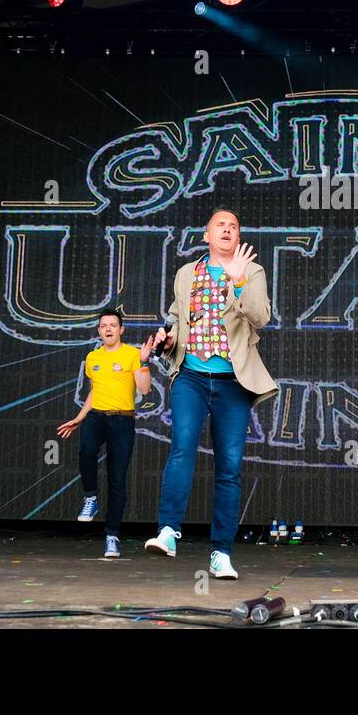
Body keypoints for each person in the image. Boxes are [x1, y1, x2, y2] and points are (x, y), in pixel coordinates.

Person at [143, 208, 277, 580]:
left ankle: (221, 552)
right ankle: (168, 531)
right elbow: (176, 317)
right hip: (192, 376)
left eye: (234, 226)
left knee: (229, 467)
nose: (228, 229)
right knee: (182, 447)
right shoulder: (187, 273)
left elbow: (261, 317)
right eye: (221, 224)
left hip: (233, 381)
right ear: (206, 235)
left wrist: (238, 282)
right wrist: (167, 336)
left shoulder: (252, 271)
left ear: (238, 237)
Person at [57, 308, 153, 559]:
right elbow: (93, 391)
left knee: (117, 479)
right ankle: (90, 497)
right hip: (96, 416)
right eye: (103, 325)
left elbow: (145, 390)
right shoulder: (92, 357)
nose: (108, 329)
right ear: (99, 330)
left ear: (121, 329)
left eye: (113, 325)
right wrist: (79, 418)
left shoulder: (132, 354)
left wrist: (144, 362)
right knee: (86, 449)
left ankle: (112, 536)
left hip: (122, 420)